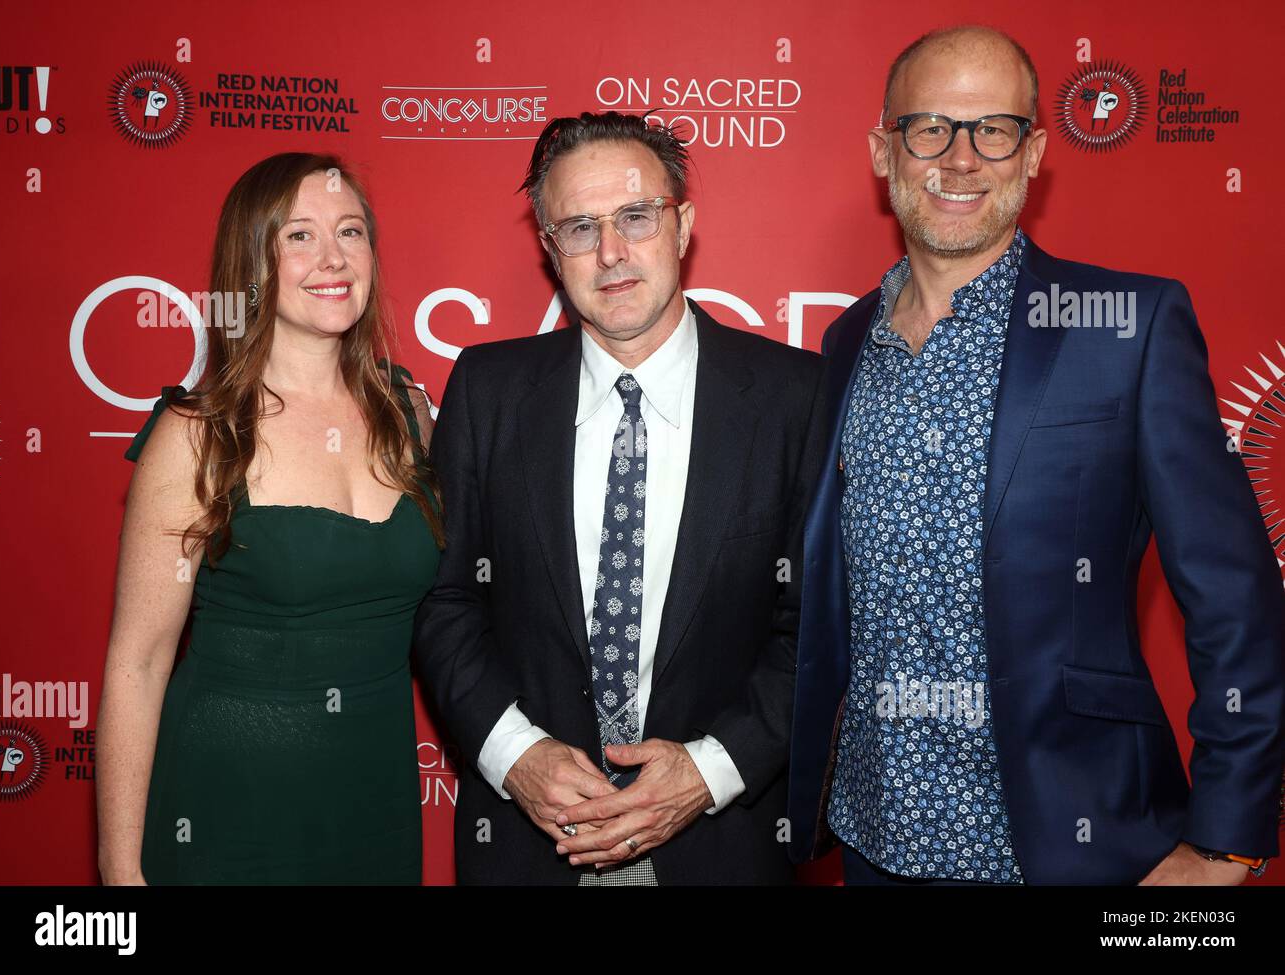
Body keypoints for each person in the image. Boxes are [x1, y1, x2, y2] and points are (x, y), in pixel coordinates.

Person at [788, 25, 1285, 885]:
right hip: (870, 836)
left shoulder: (1127, 325)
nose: (962, 157)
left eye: (995, 130)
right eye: (929, 128)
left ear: (1035, 151)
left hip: (1075, 844)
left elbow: (1237, 598)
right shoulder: (843, 344)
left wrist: (1225, 843)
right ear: (884, 150)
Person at [415, 111, 822, 884]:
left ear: (683, 225)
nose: (611, 252)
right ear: (549, 249)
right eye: (578, 227)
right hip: (528, 843)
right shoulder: (487, 391)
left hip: (721, 844)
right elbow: (445, 603)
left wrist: (709, 770)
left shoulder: (793, 397)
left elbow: (815, 625)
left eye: (636, 216)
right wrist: (517, 755)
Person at [95, 152, 442, 884]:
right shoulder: (199, 433)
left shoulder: (411, 413)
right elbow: (139, 661)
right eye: (299, 236)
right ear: (252, 259)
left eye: (351, 231)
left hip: (373, 806)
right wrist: (121, 869)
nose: (333, 257)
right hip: (225, 813)